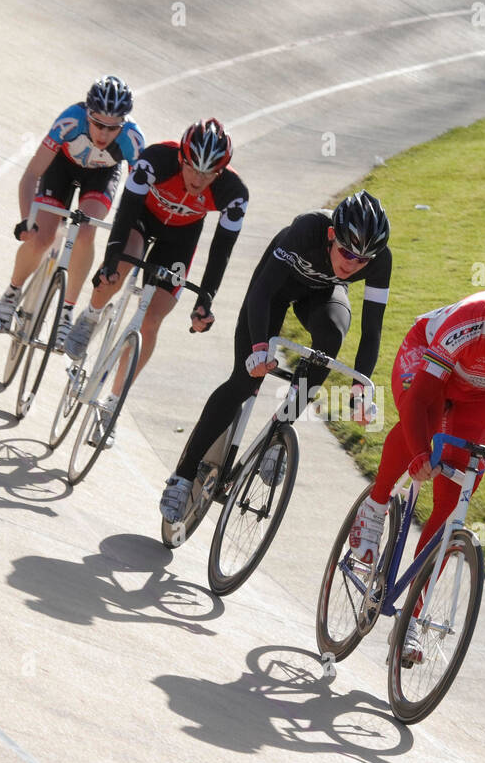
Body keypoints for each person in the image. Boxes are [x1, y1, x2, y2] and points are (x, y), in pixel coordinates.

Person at [349, 272, 485, 663]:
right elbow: (420, 402)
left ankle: (411, 615)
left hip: (479, 394)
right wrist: (418, 454)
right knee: (424, 432)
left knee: (450, 508)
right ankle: (376, 506)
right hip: (427, 362)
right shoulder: (466, 323)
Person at [159, 190, 392, 522]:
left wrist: (359, 386)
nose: (352, 264)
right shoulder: (308, 228)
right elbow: (264, 291)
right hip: (274, 291)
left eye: (362, 261)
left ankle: (278, 436)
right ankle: (182, 475)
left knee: (331, 334)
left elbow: (372, 331)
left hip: (322, 295)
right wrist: (258, 349)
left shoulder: (380, 259)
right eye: (346, 253)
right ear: (331, 235)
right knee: (243, 382)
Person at [64, 119, 247, 447]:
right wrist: (109, 263)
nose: (198, 180)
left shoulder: (234, 194)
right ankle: (90, 316)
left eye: (209, 175)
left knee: (151, 319)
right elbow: (125, 211)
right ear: (182, 159)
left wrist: (205, 300)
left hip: (180, 239)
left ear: (221, 173)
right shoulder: (156, 160)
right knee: (119, 269)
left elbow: (221, 250)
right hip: (139, 220)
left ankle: (112, 404)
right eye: (193, 169)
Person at [0, 76, 145, 348]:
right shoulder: (70, 120)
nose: (104, 134)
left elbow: (138, 198)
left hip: (102, 175)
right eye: (97, 124)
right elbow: (31, 174)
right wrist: (27, 220)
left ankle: (67, 312)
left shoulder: (133, 139)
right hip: (61, 167)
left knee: (86, 232)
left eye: (113, 128)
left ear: (124, 123)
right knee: (41, 237)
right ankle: (12, 292)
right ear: (87, 113)